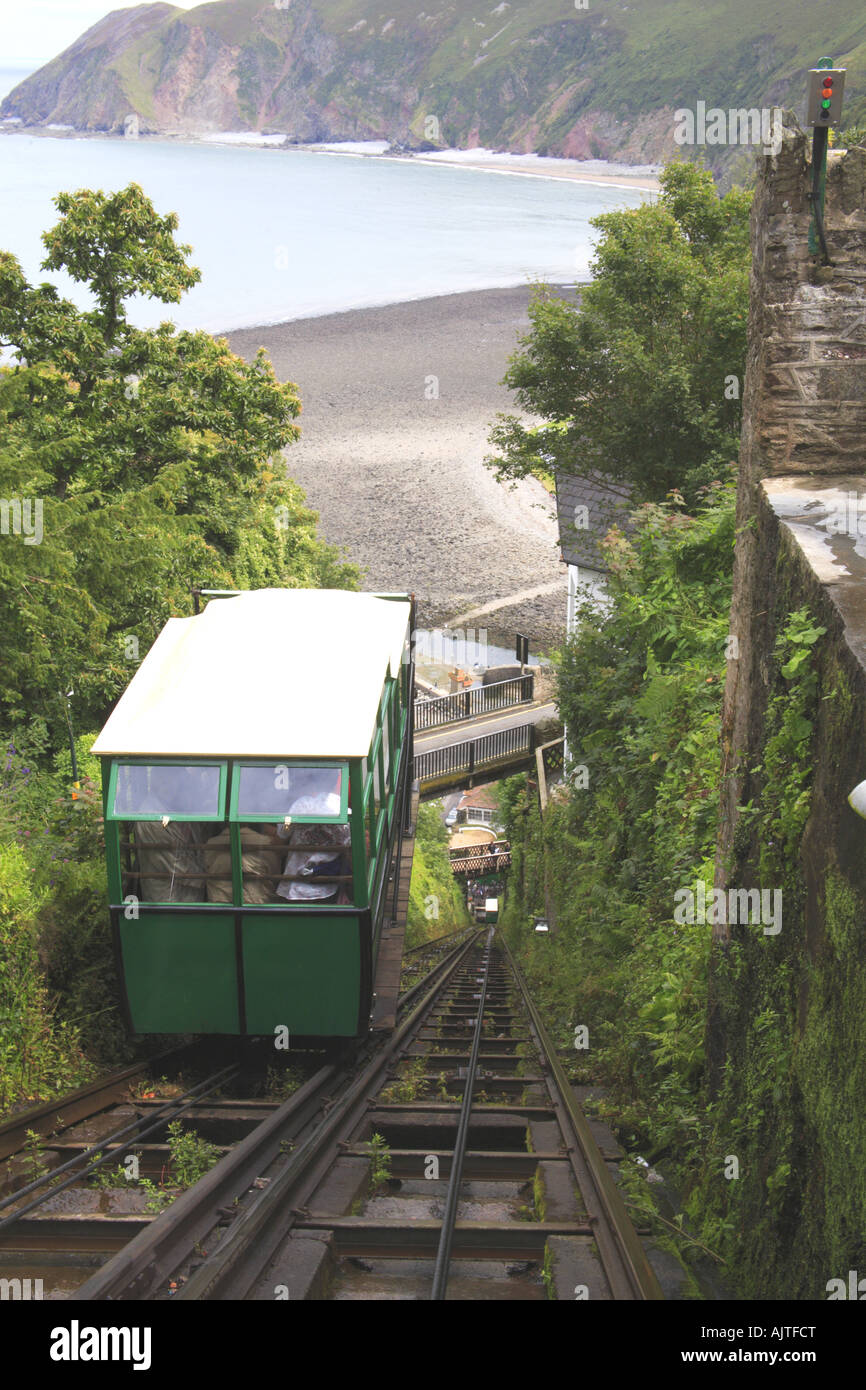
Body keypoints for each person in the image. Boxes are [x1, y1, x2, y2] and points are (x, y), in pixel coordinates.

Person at [275, 779, 351, 904]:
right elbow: (350, 844)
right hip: (328, 886)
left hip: (295, 885)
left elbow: (282, 833)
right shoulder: (344, 809)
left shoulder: (302, 804)